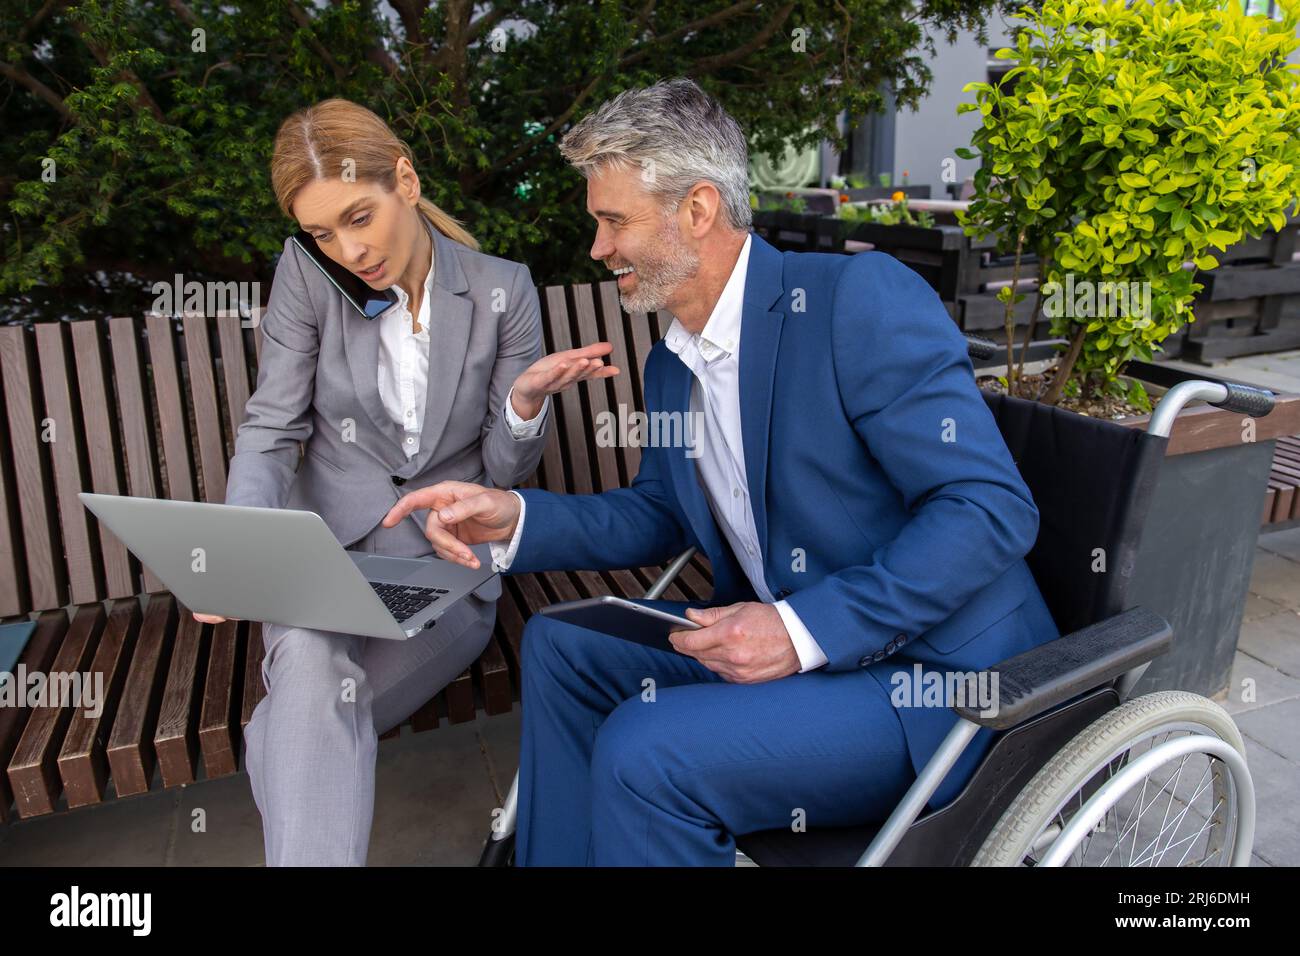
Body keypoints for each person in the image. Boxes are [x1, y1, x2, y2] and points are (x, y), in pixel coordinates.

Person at [385, 79, 1061, 866]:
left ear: (697, 211)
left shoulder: (853, 302)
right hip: (798, 646)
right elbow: (661, 513)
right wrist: (514, 516)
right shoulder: (673, 360)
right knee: (560, 645)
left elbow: (988, 507)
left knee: (647, 750)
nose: (598, 248)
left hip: (936, 682)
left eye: (613, 222)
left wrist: (799, 632)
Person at [202, 98, 616, 865]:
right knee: (315, 667)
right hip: (321, 558)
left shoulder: (502, 289)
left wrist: (523, 405)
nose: (348, 249)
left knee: (289, 723)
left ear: (407, 180)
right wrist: (238, 551)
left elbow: (502, 476)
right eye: (322, 231)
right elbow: (273, 426)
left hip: (446, 568)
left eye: (359, 217)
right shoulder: (308, 276)